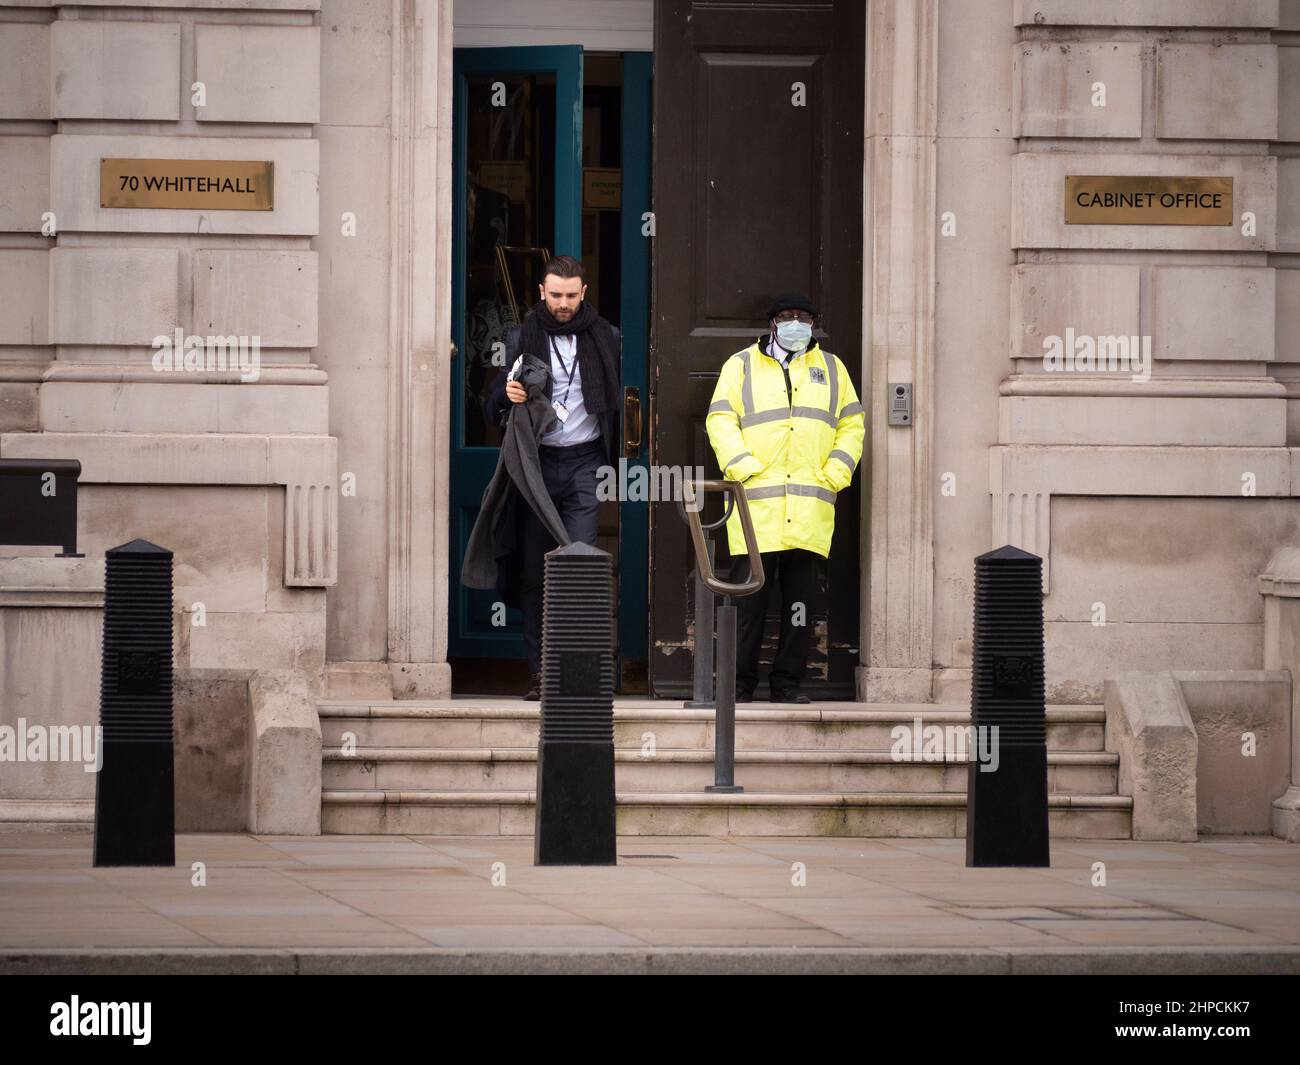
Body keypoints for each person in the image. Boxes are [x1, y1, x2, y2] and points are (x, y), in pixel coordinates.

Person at [704, 292, 866, 703]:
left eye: (804, 317)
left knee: (800, 609)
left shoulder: (831, 368)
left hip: (810, 508)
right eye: (788, 316)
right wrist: (741, 466)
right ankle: (738, 687)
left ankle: (788, 685)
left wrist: (836, 473)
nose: (797, 323)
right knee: (748, 608)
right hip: (755, 507)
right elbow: (720, 418)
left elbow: (852, 424)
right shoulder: (741, 365)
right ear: (772, 322)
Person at [483, 256, 621, 699]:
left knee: (579, 563)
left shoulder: (607, 337)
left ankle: (577, 671)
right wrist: (506, 394)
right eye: (555, 295)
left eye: (571, 295)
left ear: (584, 293)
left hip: (583, 462)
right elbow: (488, 403)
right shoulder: (519, 337)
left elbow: (623, 397)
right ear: (542, 292)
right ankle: (542, 672)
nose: (563, 303)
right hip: (534, 464)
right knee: (535, 572)